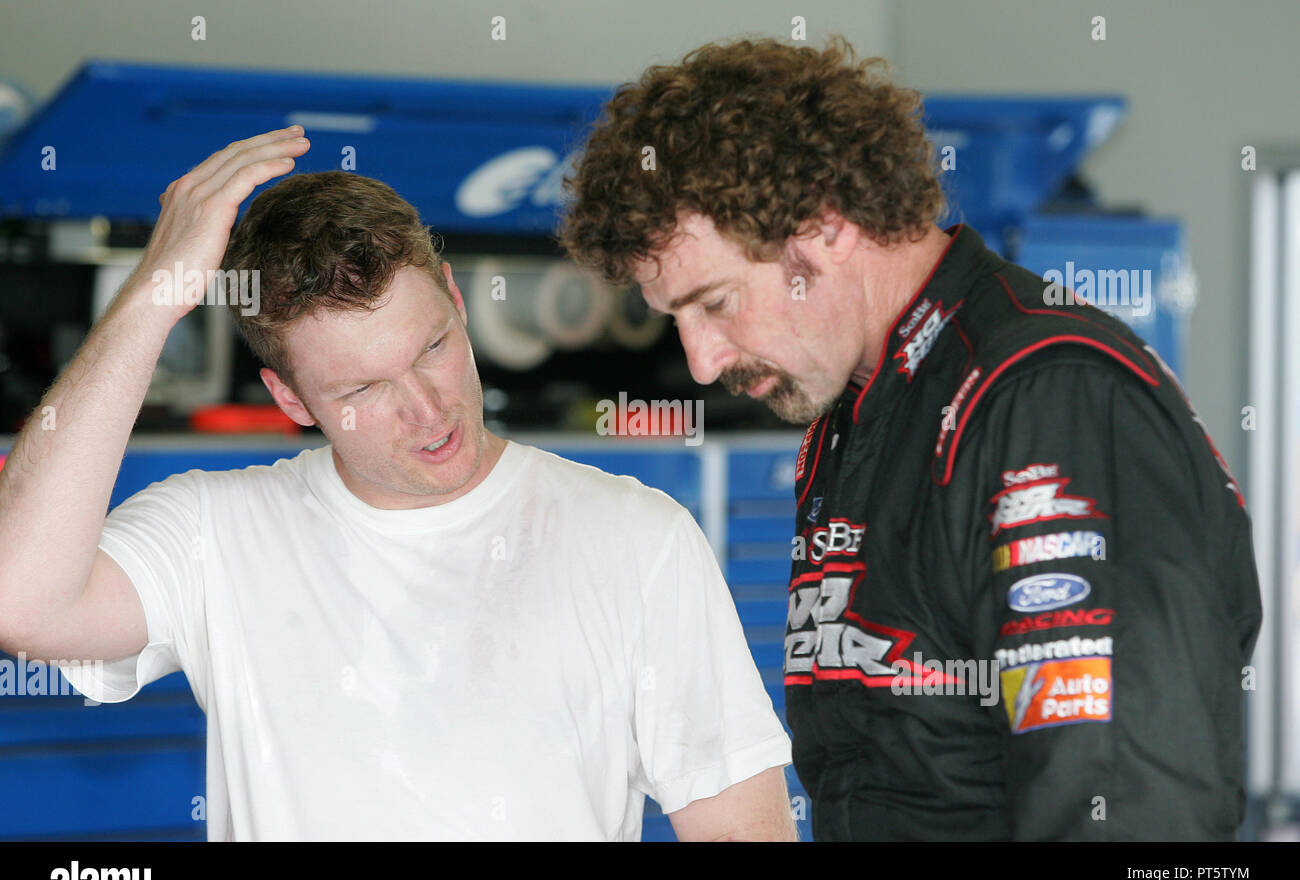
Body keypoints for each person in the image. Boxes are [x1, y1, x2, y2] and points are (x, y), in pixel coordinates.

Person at [0, 127, 795, 841]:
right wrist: (153, 294)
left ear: (454, 296)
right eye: (362, 390)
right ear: (289, 398)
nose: (427, 409)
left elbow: (742, 829)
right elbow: (20, 601)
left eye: (432, 347)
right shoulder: (216, 533)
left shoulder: (638, 539)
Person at [558, 36, 1263, 840]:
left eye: (715, 303)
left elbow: (1137, 819)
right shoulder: (854, 419)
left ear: (824, 221)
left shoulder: (1049, 398)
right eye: (675, 320)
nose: (700, 359)